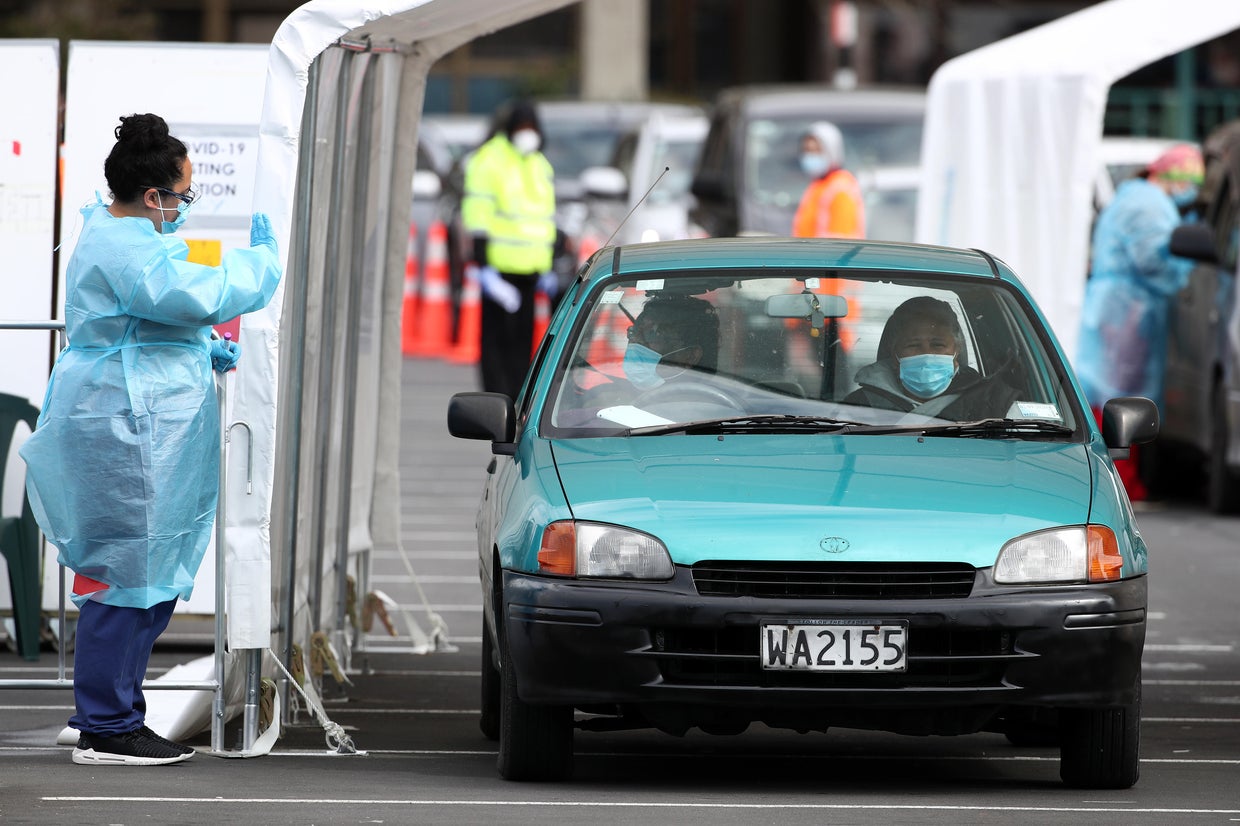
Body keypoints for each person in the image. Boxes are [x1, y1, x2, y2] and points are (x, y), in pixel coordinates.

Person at [19, 113, 282, 766]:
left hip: (139, 417)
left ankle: (117, 715)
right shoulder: (128, 245)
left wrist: (195, 353)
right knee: (125, 578)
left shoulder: (126, 235)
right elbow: (195, 295)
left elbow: (155, 319)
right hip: (125, 426)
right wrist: (262, 266)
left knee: (145, 576)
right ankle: (107, 726)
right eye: (183, 195)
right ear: (153, 196)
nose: (186, 207)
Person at [1075, 143, 1203, 501]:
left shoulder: (1136, 198)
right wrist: (1182, 270)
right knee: (1121, 399)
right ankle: (1121, 483)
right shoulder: (1147, 204)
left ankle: (1122, 483)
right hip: (1127, 312)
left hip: (1121, 309)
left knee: (1110, 393)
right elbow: (1153, 259)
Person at [461, 99, 558, 398]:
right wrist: (483, 266)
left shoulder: (539, 163)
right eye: (523, 127)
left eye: (532, 128)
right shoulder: (489, 159)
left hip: (531, 270)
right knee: (495, 340)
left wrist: (549, 265)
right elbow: (477, 215)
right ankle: (494, 398)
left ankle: (516, 400)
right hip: (499, 270)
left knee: (523, 343)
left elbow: (544, 216)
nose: (528, 133)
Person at [843, 296, 1019, 420]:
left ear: (956, 352)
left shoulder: (995, 403)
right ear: (895, 355)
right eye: (913, 345)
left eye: (938, 345)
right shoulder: (858, 407)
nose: (926, 355)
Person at [557, 295, 721, 425]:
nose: (635, 343)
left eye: (653, 334)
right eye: (634, 332)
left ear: (690, 356)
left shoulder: (729, 412)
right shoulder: (601, 404)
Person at [791, 121, 865, 239]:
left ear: (831, 151)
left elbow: (840, 242)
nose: (810, 156)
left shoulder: (841, 188)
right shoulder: (818, 185)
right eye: (807, 150)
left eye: (816, 151)